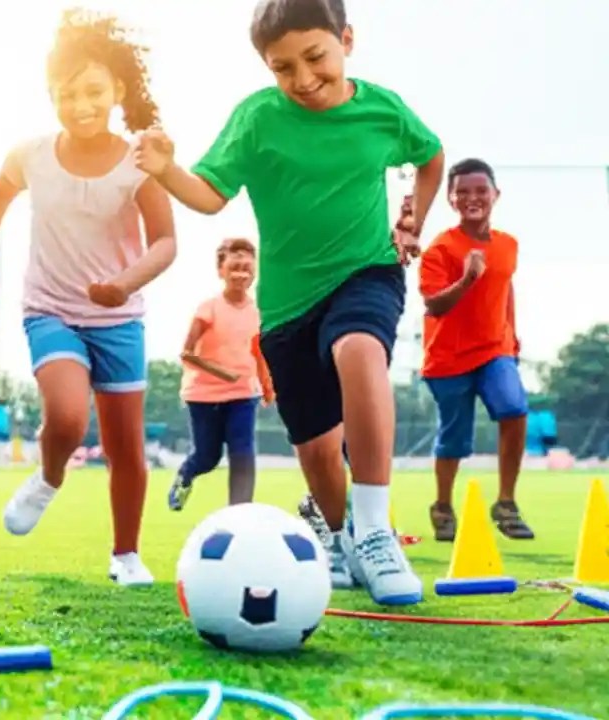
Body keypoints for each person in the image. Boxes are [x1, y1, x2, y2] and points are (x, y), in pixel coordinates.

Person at [134, 0, 445, 604]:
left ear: (346, 40)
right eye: (282, 68)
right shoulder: (257, 118)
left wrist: (413, 220)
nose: (302, 79)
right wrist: (167, 170)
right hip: (286, 308)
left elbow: (430, 157)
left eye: (315, 58)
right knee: (319, 452)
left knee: (360, 350)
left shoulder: (383, 111)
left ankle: (376, 532)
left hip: (366, 273)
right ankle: (338, 534)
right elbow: (208, 195)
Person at [0, 9, 177, 587]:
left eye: (92, 92)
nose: (80, 104)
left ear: (117, 91)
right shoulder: (31, 154)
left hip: (119, 319)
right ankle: (50, 476)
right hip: (51, 309)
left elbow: (165, 242)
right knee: (65, 414)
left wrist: (124, 284)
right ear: (50, 95)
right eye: (66, 94)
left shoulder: (139, 163)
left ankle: (126, 554)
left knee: (125, 447)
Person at [418, 158, 534, 542]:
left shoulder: (508, 245)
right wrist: (467, 279)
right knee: (455, 438)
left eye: (481, 190)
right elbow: (434, 304)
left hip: (495, 350)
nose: (473, 198)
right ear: (451, 200)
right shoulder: (441, 249)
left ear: (495, 195)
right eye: (463, 192)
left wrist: (512, 339)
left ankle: (506, 503)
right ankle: (442, 506)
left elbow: (505, 290)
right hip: (448, 359)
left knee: (514, 407)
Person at [170, 238, 275, 512]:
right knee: (207, 456)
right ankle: (185, 476)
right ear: (221, 271)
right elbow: (186, 353)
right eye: (234, 267)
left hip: (243, 395)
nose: (241, 273)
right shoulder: (209, 309)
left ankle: (240, 513)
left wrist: (267, 385)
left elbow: (259, 353)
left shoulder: (259, 312)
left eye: (247, 268)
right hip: (203, 395)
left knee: (243, 451)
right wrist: (220, 372)